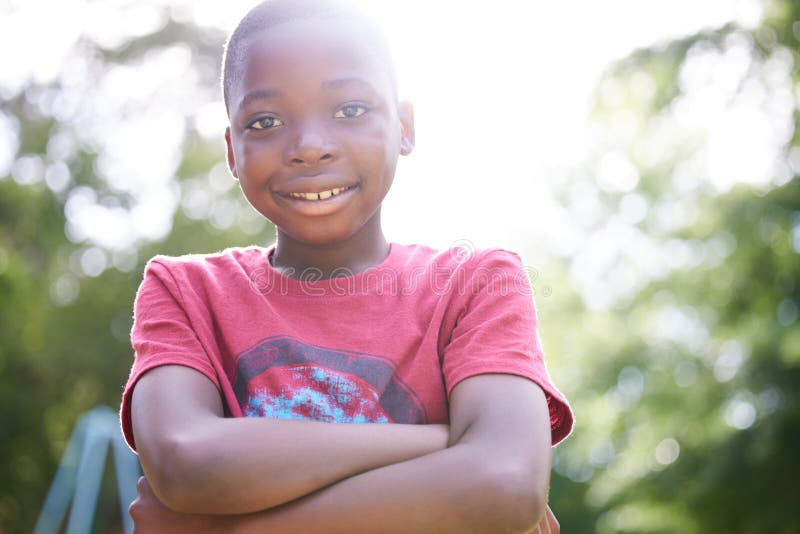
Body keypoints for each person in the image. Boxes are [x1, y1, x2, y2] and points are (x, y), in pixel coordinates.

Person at [121, 0, 574, 532]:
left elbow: (504, 483)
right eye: (266, 121)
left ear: (404, 126)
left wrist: (225, 529)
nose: (310, 148)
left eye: (351, 110)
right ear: (232, 151)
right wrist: (450, 444)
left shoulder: (477, 285)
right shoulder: (185, 291)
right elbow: (185, 460)